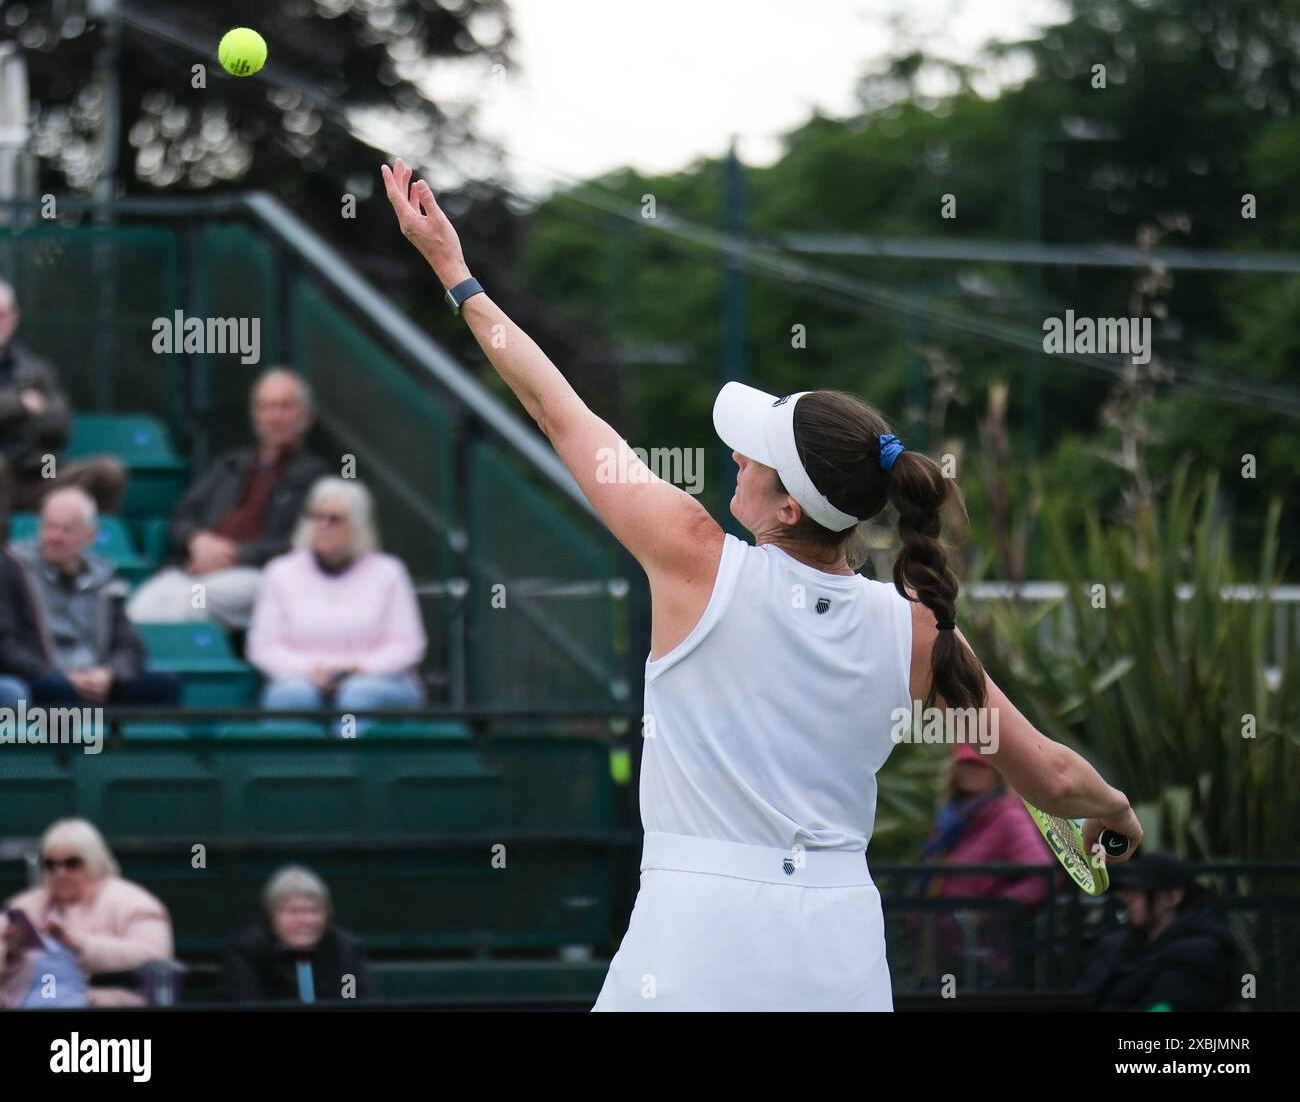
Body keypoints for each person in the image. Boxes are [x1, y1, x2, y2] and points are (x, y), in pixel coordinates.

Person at [380, 157, 1145, 1012]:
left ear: (786, 506)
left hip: (696, 939)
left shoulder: (693, 553)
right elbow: (1051, 776)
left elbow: (558, 410)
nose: (737, 455)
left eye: (757, 453)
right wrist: (1116, 809)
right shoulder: (919, 631)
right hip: (838, 951)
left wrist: (456, 273)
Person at [126, 368, 328, 630]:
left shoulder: (316, 477)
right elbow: (183, 516)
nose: (274, 416)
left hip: (260, 576)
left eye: (285, 407)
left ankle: (182, 668)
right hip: (196, 569)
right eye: (266, 407)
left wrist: (236, 554)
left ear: (307, 416)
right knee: (138, 608)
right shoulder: (230, 465)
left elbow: (304, 545)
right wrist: (197, 540)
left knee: (194, 604)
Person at [246, 478, 425, 714]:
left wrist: (359, 669)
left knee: (359, 695)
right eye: (316, 517)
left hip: (381, 680)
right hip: (301, 679)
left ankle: (348, 752)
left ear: (358, 524)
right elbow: (263, 646)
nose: (322, 526)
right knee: (292, 696)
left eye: (334, 519)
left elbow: (408, 645)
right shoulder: (280, 572)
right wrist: (310, 670)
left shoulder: (389, 572)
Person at [0, 487, 181, 708]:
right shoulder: (14, 569)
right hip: (45, 676)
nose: (54, 537)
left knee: (164, 685)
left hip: (98, 679)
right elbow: (7, 644)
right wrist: (60, 675)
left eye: (66, 530)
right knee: (55, 689)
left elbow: (130, 645)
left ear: (89, 536)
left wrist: (110, 674)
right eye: (49, 527)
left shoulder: (104, 576)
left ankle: (123, 743)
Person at [914, 742, 1057, 986]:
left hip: (984, 958)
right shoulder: (953, 817)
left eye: (981, 764)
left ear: (998, 771)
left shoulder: (1008, 816)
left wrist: (990, 910)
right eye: (966, 763)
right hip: (942, 951)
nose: (972, 770)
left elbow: (1042, 877)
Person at [0, 277, 127, 538]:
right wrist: (23, 406)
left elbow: (59, 427)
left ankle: (91, 555)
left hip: (41, 472)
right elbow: (35, 412)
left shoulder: (36, 369)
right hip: (3, 475)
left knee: (109, 472)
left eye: (1, 314)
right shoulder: (31, 387)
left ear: (13, 317)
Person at [0, 818, 174, 1008]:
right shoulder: (24, 905)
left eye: (72, 863)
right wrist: (10, 952)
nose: (60, 873)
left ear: (95, 861)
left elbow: (155, 957)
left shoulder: (133, 903)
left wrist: (81, 945)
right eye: (51, 864)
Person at [1080, 852, 1241, 1011]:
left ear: (1173, 897)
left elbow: (1164, 1006)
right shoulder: (1116, 945)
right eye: (1128, 891)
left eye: (1139, 892)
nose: (1127, 899)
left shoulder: (1198, 954)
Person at [218, 866, 376, 1003]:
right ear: (271, 916)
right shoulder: (247, 951)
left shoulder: (344, 949)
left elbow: (356, 1002)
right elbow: (246, 1002)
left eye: (314, 911)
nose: (305, 920)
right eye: (293, 911)